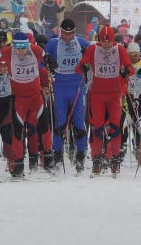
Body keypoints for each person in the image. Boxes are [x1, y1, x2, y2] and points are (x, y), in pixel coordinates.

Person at [77, 26, 133, 176]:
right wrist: (83, 67)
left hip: (114, 95)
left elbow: (130, 67)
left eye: (109, 42)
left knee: (115, 128)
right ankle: (96, 160)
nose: (106, 45)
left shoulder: (119, 49)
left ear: (113, 40)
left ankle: (115, 160)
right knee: (97, 128)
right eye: (103, 41)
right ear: (99, 40)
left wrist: (126, 70)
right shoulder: (93, 49)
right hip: (97, 95)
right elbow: (80, 66)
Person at [43, 18, 90, 172]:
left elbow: (95, 56)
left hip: (78, 87)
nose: (68, 37)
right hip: (60, 88)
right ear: (60, 31)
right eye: (65, 33)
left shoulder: (81, 43)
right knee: (60, 124)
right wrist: (48, 62)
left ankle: (80, 158)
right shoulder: (53, 43)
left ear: (74, 32)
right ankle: (57, 158)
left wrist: (86, 64)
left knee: (79, 124)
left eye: (70, 33)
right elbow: (39, 61)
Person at [1, 31, 50, 178]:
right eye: (18, 48)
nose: (21, 51)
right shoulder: (6, 52)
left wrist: (49, 62)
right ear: (13, 46)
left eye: (24, 48)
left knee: (44, 125)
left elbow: (46, 60)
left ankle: (48, 158)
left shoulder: (35, 50)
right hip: (19, 99)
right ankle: (18, 164)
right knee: (17, 131)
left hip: (36, 97)